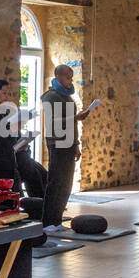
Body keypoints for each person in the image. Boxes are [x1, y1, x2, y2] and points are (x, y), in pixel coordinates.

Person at [40, 64, 90, 232]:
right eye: (68, 77)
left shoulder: (68, 98)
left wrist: (76, 144)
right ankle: (47, 222)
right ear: (58, 76)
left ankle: (57, 219)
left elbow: (73, 125)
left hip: (68, 143)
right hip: (56, 142)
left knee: (66, 183)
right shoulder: (50, 96)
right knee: (55, 182)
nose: (70, 80)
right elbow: (53, 122)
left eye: (71, 77)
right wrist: (75, 117)